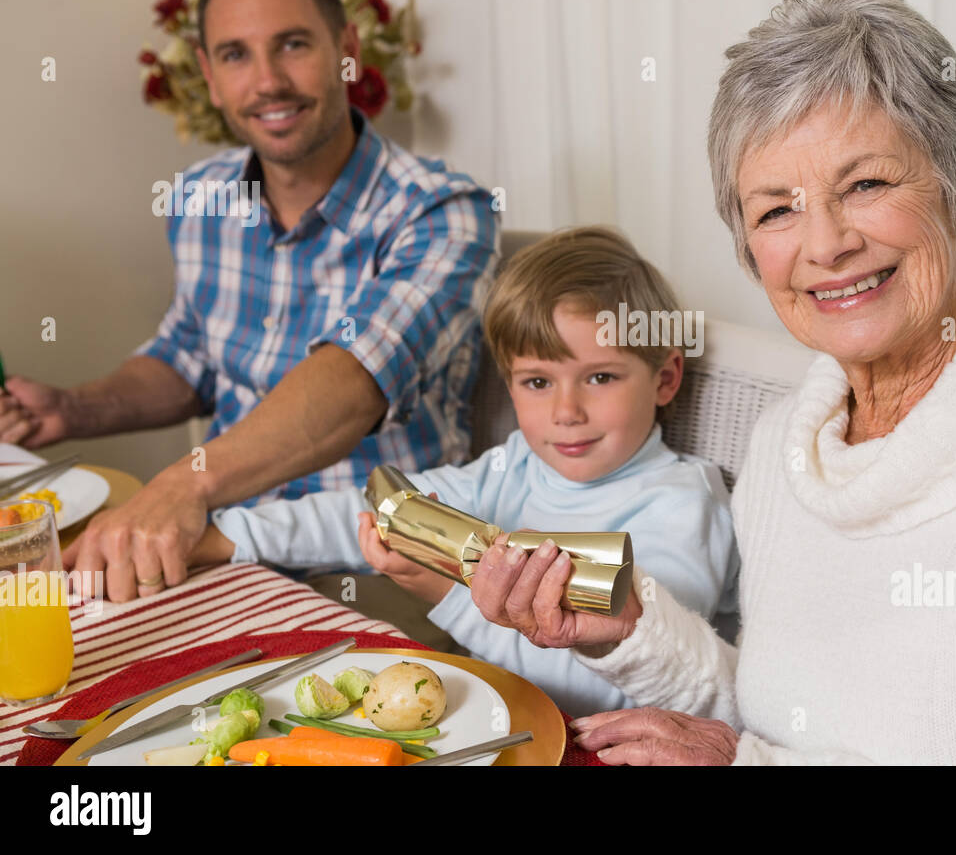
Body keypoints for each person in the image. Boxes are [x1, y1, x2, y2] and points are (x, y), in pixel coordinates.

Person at [461, 0, 956, 764]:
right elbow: (788, 724)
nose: (826, 245)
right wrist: (626, 628)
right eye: (776, 211)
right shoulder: (786, 448)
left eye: (865, 185)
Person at [0, 0, 497, 603]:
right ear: (208, 75)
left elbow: (355, 380)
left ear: (347, 48)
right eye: (236, 55)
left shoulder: (444, 210)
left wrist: (185, 484)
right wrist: (74, 408)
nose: (267, 81)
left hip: (377, 566)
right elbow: (188, 359)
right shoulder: (201, 196)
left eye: (293, 45)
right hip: (221, 549)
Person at [188, 226, 738, 717]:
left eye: (600, 378)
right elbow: (365, 514)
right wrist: (223, 538)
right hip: (488, 717)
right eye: (538, 382)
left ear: (665, 380)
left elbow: (621, 689)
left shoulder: (683, 503)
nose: (566, 413)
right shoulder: (514, 463)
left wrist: (447, 594)